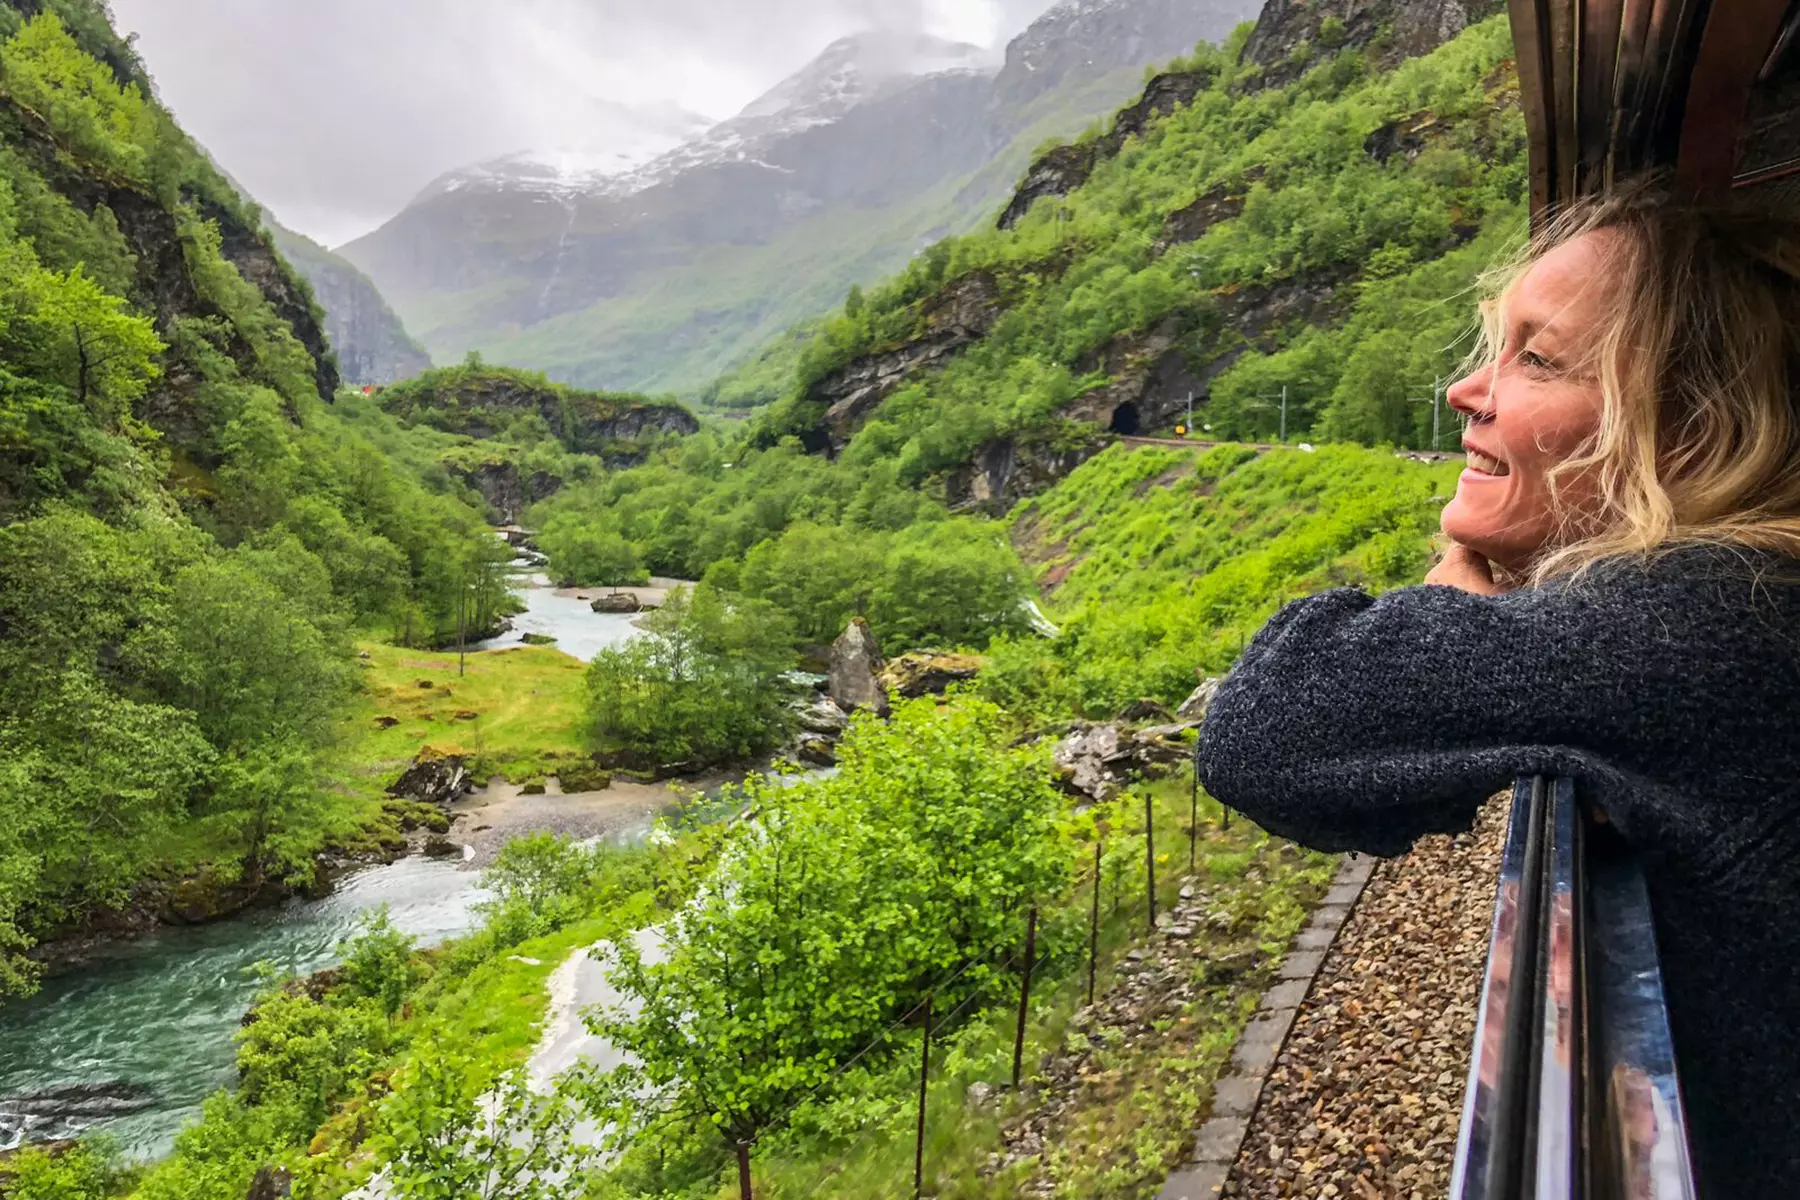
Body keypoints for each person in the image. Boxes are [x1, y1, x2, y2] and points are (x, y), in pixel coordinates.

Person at [1196, 183, 1800, 1198]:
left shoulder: (1710, 620)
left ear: (1691, 425)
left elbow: (1262, 732)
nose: (1465, 390)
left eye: (1537, 357)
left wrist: (1451, 608)